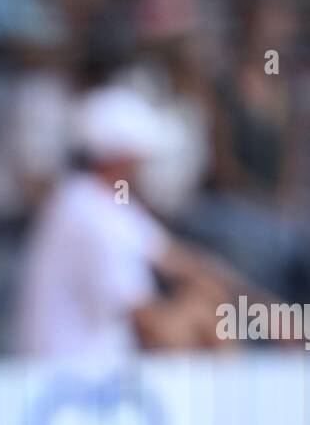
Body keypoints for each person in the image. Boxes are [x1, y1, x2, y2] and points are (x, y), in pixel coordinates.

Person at [13, 85, 244, 358]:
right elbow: (150, 326)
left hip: (91, 376)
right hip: (78, 379)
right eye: (142, 160)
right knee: (204, 314)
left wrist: (267, 312)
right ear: (122, 161)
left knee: (206, 302)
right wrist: (210, 322)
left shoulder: (97, 203)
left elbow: (183, 263)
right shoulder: (91, 216)